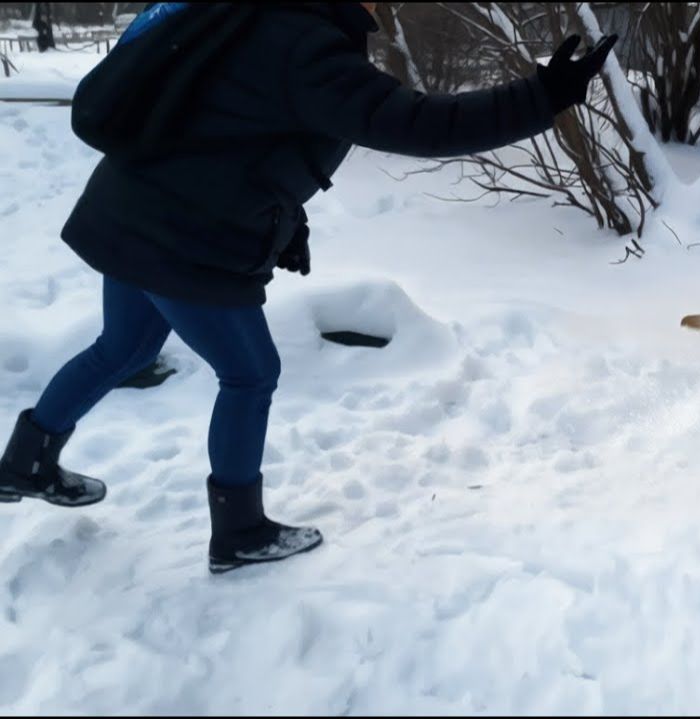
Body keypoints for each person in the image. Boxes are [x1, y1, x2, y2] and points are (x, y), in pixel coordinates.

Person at [0, 2, 617, 574]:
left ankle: (25, 462)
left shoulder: (255, 17)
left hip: (132, 210)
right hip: (181, 237)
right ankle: (239, 531)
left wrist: (283, 221)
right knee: (249, 373)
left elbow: (237, 133)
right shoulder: (306, 49)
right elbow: (423, 125)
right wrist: (543, 95)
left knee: (124, 347)